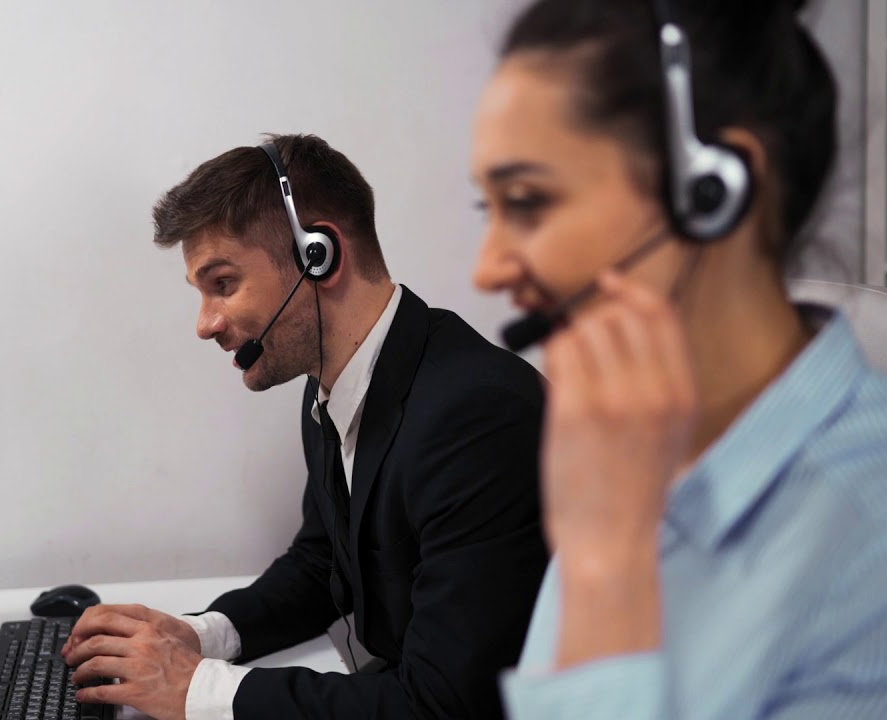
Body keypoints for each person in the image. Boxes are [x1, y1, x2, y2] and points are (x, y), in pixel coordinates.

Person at [468, 0, 887, 717]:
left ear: (716, 192)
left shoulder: (880, 536)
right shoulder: (626, 447)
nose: (487, 270)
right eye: (489, 210)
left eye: (527, 200)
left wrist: (606, 573)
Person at [63, 134, 548, 719]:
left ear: (320, 255)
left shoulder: (475, 416)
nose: (205, 324)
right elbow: (323, 563)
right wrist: (200, 637)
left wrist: (198, 691)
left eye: (223, 284)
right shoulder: (333, 385)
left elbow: (442, 705)